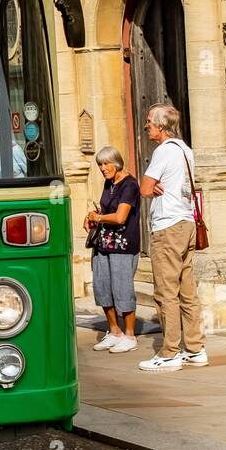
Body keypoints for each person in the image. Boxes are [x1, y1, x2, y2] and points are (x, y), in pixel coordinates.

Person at [138, 103, 207, 372]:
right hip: (187, 222)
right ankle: (195, 348)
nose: (147, 128)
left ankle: (169, 353)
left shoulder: (163, 151)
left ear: (161, 127)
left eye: (149, 123)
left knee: (166, 291)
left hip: (168, 226)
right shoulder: (185, 150)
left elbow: (144, 188)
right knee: (187, 290)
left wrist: (153, 186)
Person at [85, 146, 141, 353]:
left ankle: (129, 335)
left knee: (122, 289)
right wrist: (92, 214)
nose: (102, 168)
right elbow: (105, 208)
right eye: (100, 164)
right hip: (102, 243)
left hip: (123, 246)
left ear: (116, 163)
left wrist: (98, 218)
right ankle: (114, 331)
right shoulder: (109, 184)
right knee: (102, 287)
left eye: (106, 163)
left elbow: (120, 217)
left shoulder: (130, 185)